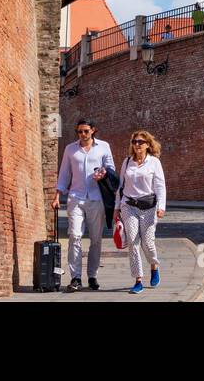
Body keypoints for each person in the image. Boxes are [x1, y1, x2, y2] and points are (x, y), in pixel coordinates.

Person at [53, 119, 116, 292]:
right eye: (79, 131)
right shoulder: (70, 149)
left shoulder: (104, 147)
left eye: (86, 131)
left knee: (96, 239)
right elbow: (64, 173)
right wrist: (58, 195)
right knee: (74, 235)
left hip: (97, 199)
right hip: (76, 197)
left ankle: (92, 275)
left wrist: (103, 173)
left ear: (93, 131)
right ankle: (75, 277)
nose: (82, 134)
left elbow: (111, 169)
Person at [116, 129, 167, 293]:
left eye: (140, 142)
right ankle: (138, 279)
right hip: (129, 206)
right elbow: (120, 187)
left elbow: (160, 186)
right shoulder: (126, 162)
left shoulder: (154, 162)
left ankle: (154, 265)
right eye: (134, 142)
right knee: (132, 241)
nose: (137, 145)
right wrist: (117, 207)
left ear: (147, 145)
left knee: (148, 242)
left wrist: (161, 206)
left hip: (149, 207)